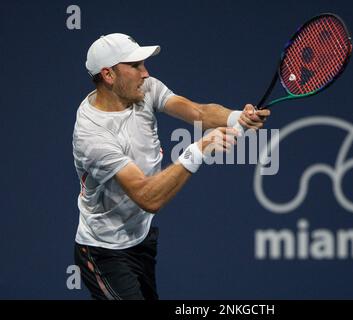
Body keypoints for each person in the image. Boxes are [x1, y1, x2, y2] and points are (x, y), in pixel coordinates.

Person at [72, 33, 270, 300]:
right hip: (104, 252)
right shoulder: (92, 135)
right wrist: (197, 150)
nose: (145, 73)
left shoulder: (145, 88)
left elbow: (198, 112)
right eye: (135, 66)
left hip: (141, 239)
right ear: (108, 75)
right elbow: (147, 197)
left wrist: (238, 117)